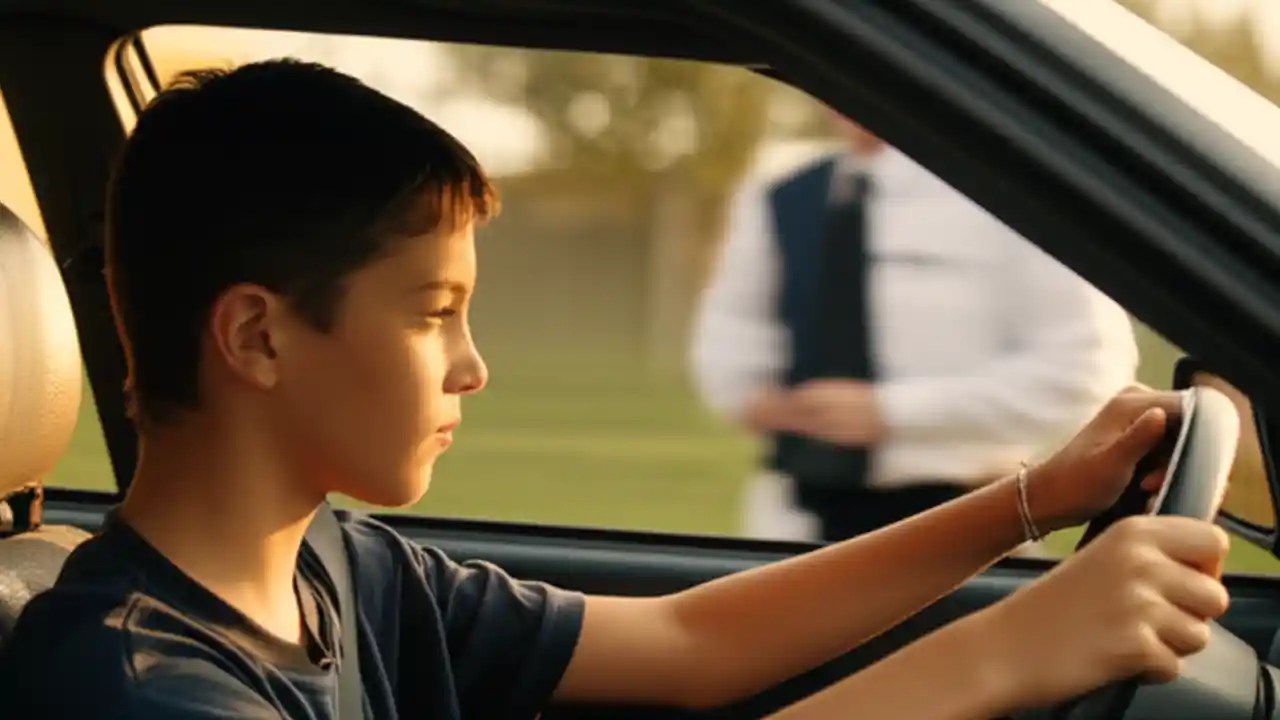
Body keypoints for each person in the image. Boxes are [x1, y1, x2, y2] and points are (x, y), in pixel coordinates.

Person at [0, 61, 1229, 720]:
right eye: (434, 315)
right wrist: (1003, 653)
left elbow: (690, 643)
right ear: (257, 339)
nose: (474, 367)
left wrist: (1025, 502)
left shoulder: (343, 565)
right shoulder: (129, 685)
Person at [692, 115, 1139, 542]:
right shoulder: (784, 196)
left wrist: (893, 412)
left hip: (964, 526)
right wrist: (753, 395)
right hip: (796, 525)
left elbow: (1087, 371)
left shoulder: (1005, 195)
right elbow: (731, 335)